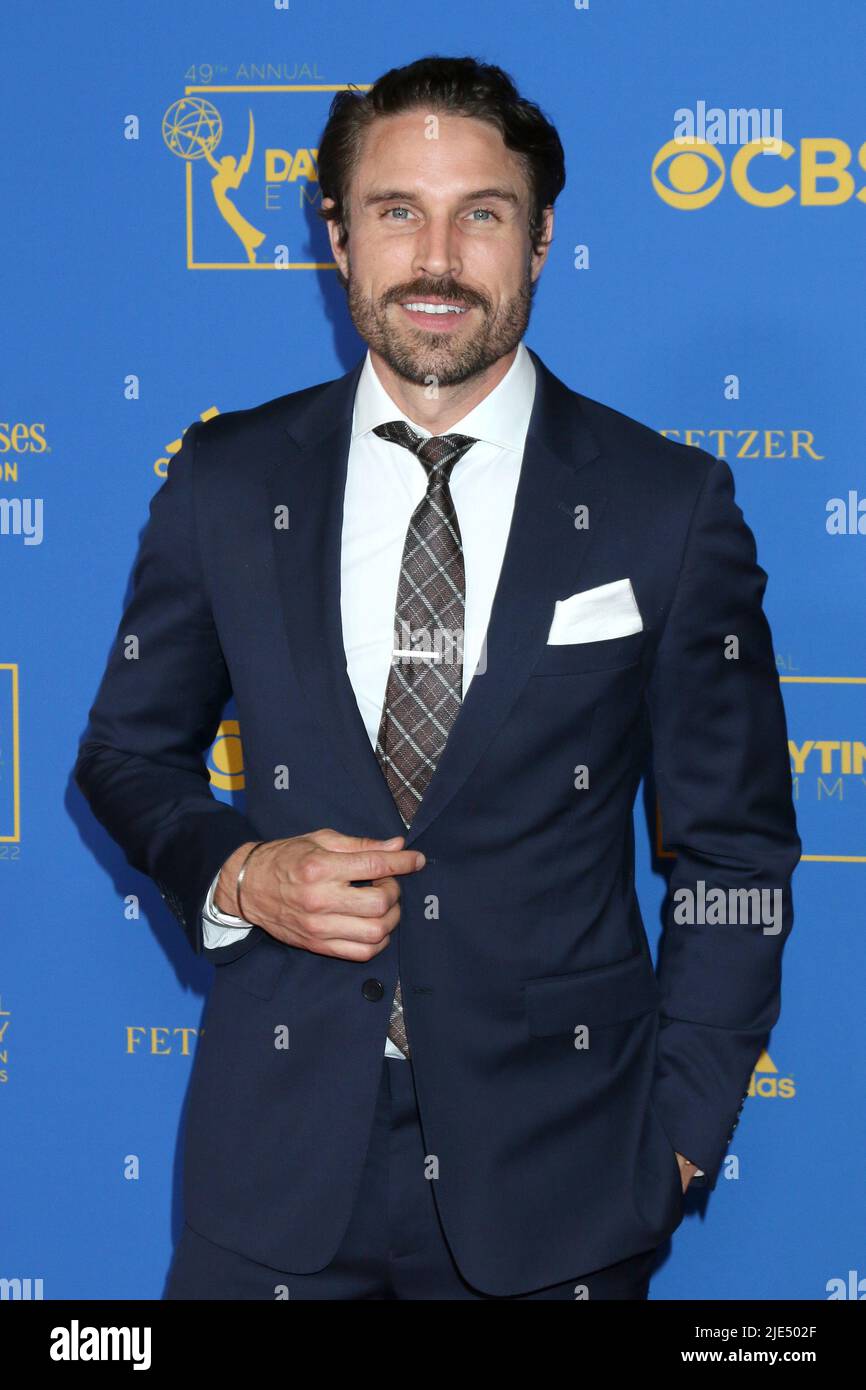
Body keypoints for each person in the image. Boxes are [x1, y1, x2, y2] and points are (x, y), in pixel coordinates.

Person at [73, 55, 801, 1300]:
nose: (436, 257)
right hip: (274, 1173)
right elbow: (126, 758)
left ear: (540, 239)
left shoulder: (663, 507)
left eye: (482, 212)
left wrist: (681, 1135)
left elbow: (735, 857)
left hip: (563, 1185)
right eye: (395, 210)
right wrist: (242, 872)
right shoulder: (226, 481)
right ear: (337, 238)